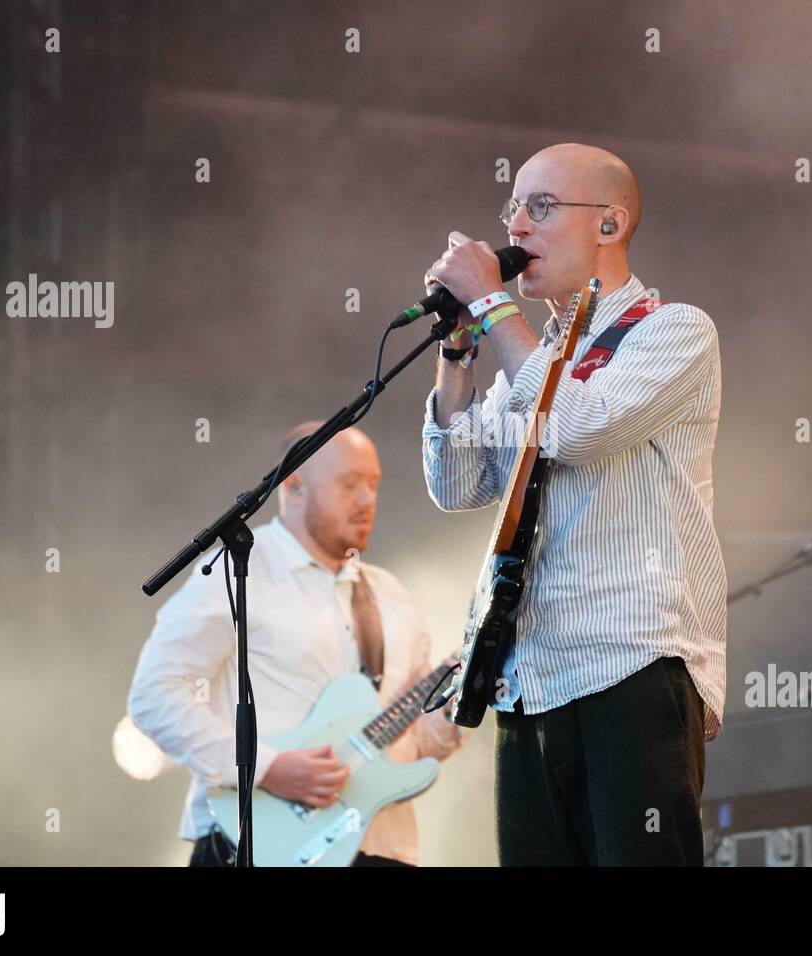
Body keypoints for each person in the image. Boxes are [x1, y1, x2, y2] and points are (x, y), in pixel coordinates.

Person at [420, 143, 725, 865]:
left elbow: (579, 428)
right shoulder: (531, 351)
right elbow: (460, 485)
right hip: (527, 676)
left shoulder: (673, 331)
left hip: (630, 664)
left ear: (610, 225)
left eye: (542, 207)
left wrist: (494, 310)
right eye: (513, 208)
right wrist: (459, 353)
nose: (517, 226)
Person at [129, 423, 463, 866]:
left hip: (380, 848)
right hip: (251, 842)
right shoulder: (237, 571)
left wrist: (457, 707)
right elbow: (154, 693)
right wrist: (267, 769)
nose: (367, 501)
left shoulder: (392, 597)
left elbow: (419, 743)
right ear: (294, 485)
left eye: (373, 485)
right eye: (349, 484)